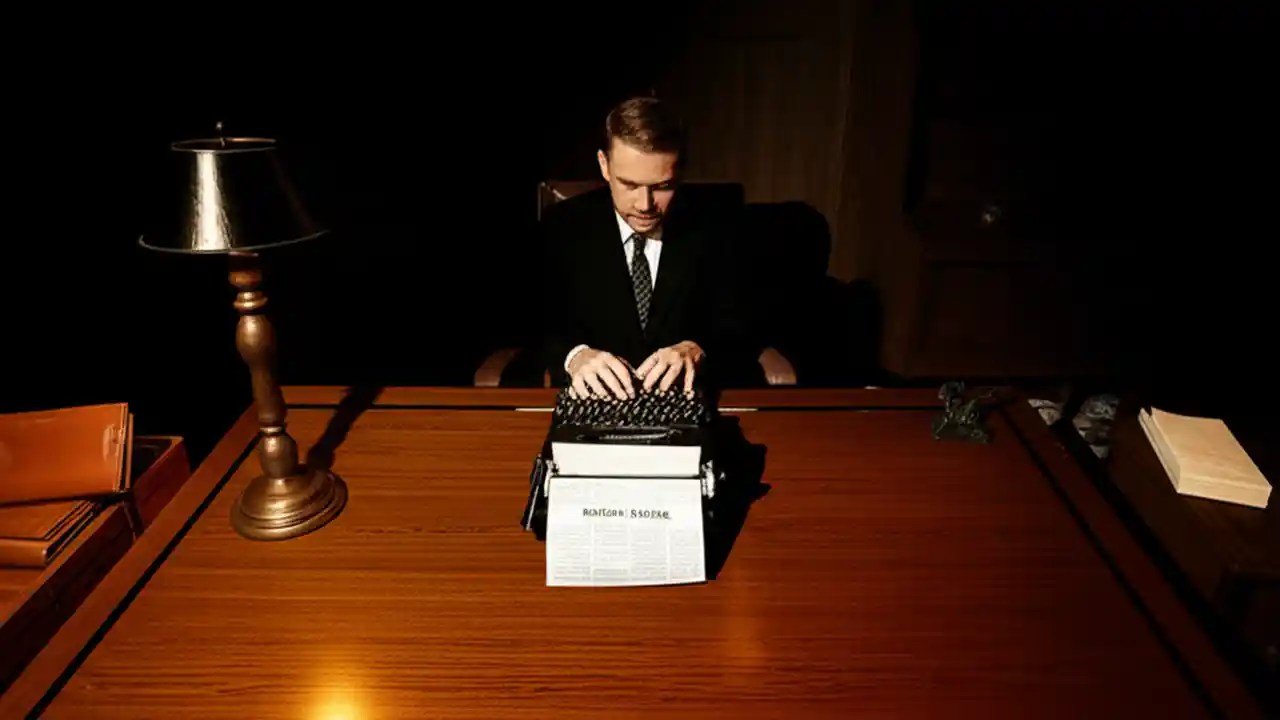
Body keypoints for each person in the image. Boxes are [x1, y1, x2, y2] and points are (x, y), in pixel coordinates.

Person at [540, 96, 760, 400]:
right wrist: (575, 356)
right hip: (593, 403)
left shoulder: (718, 227)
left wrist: (698, 349)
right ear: (604, 165)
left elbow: (743, 328)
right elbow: (534, 325)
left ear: (680, 171)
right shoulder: (561, 227)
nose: (645, 205)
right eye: (629, 184)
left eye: (662, 186)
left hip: (685, 401)